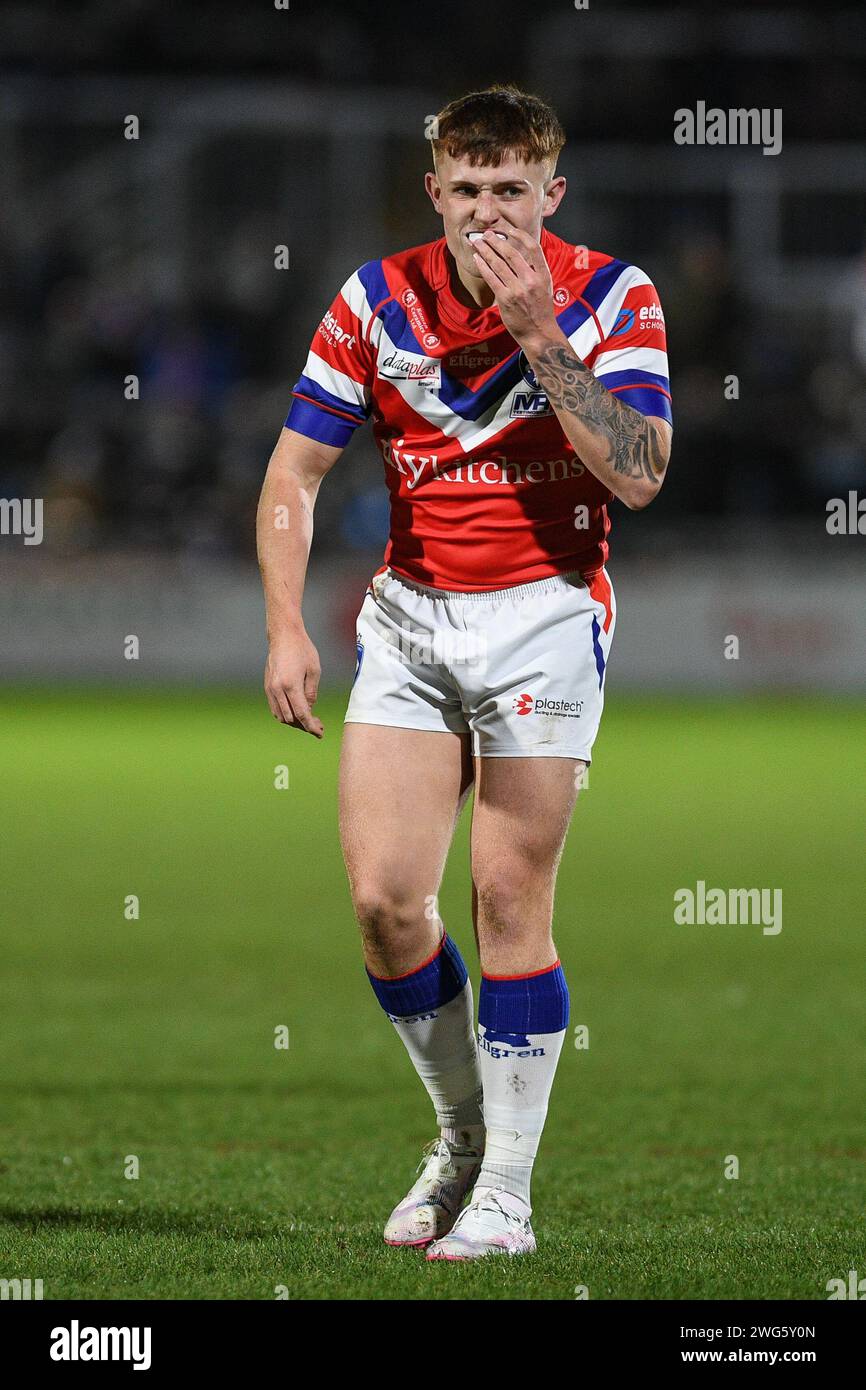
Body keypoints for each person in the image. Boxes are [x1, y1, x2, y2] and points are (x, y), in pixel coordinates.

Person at [256, 84, 672, 1260]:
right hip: (410, 619)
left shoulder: (609, 296)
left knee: (504, 897)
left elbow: (638, 473)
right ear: (433, 191)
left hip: (545, 617)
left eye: (511, 192)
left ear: (552, 194)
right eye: (466, 190)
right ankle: (463, 1136)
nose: (488, 213)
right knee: (387, 905)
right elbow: (294, 474)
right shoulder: (375, 297)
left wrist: (540, 333)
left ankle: (508, 1201)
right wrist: (286, 622)